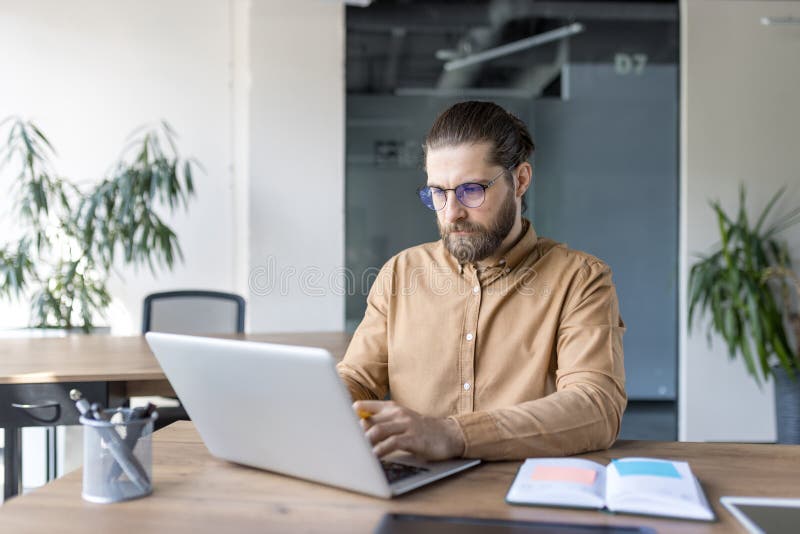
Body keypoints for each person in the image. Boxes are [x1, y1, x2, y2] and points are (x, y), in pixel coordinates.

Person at [337, 101, 626, 462]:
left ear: (519, 180)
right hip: (413, 487)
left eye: (471, 190)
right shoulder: (400, 273)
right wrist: (325, 406)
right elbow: (357, 379)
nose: (452, 212)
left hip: (525, 491)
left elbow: (596, 407)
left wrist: (451, 434)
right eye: (437, 193)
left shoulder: (580, 280)